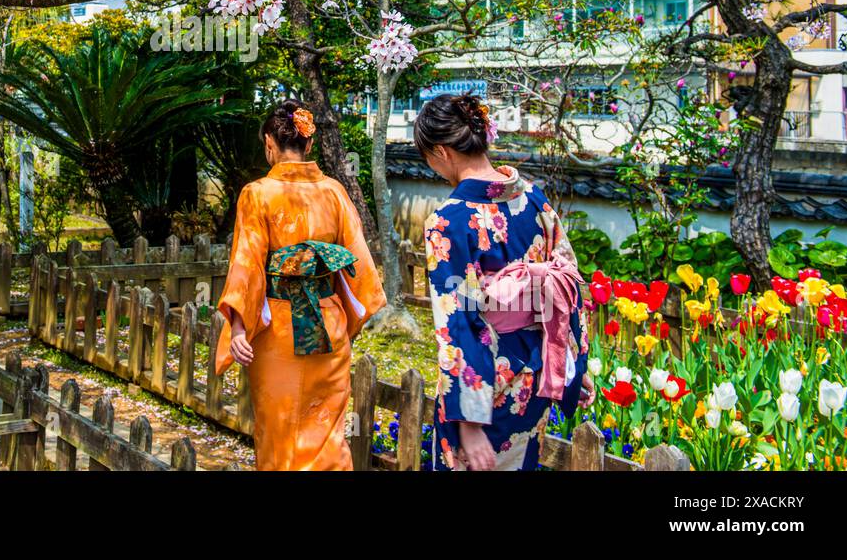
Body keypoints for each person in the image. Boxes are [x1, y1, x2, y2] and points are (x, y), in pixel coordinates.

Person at [414, 93, 594, 471]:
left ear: (442, 152)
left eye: (427, 157)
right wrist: (573, 364)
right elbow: (569, 283)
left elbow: (458, 323)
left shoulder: (448, 222)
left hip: (486, 388)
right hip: (534, 375)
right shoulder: (534, 199)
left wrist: (469, 422)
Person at [214, 99, 387, 470]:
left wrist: (240, 327)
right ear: (309, 145)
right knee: (327, 437)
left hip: (279, 331)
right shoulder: (335, 192)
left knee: (279, 434)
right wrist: (346, 321)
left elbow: (247, 263)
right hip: (328, 326)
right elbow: (360, 268)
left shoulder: (257, 193)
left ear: (269, 144)